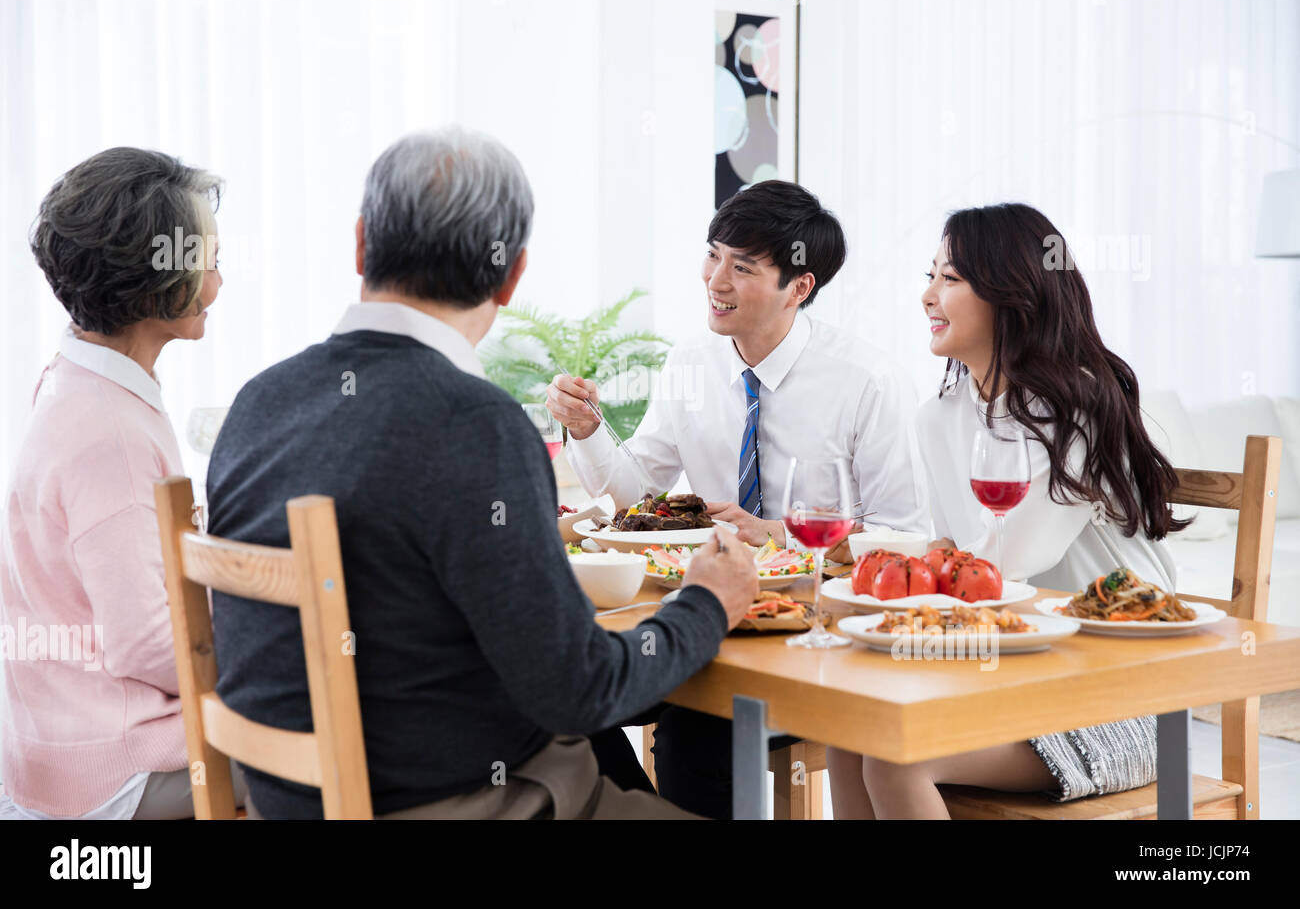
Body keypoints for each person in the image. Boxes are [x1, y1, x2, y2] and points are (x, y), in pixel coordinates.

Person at [204, 127, 758, 820]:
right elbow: (579, 689)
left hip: (282, 803)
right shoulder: (475, 423)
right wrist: (708, 601)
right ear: (512, 274)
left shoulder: (262, 400)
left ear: (360, 242)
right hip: (452, 801)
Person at [546, 180, 929, 819]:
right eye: (713, 255)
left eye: (742, 266)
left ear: (798, 287)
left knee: (696, 742)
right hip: (700, 622)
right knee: (562, 703)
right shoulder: (692, 361)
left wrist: (776, 533)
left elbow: (904, 536)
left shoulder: (867, 381)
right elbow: (640, 492)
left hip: (810, 637)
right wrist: (587, 433)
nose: (715, 279)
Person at [828, 203, 1185, 818]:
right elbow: (952, 566)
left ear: (1010, 295)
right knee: (846, 729)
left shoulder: (1078, 406)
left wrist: (911, 562)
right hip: (1007, 673)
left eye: (950, 279)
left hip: (1117, 693)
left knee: (893, 753)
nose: (927, 296)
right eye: (930, 275)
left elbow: (1008, 563)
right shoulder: (938, 419)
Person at [0, 147, 246, 819]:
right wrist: (278, 643)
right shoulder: (107, 430)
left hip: (61, 748)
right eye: (210, 263)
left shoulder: (76, 385)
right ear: (146, 284)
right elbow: (146, 644)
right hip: (115, 770)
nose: (219, 286)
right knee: (341, 742)